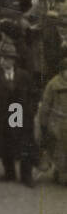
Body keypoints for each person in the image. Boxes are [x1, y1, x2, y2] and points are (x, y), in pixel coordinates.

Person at [0, 43, 38, 185]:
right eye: (3, 58)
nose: (5, 61)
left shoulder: (24, 76)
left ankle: (26, 176)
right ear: (0, 59)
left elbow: (34, 94)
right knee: (5, 144)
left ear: (14, 60)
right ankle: (9, 172)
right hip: (2, 115)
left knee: (25, 145)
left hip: (21, 115)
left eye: (9, 59)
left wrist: (31, 110)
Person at [37, 56, 67, 184]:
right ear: (62, 71)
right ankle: (57, 171)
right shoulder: (53, 84)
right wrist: (44, 122)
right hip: (56, 121)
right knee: (56, 148)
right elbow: (46, 105)